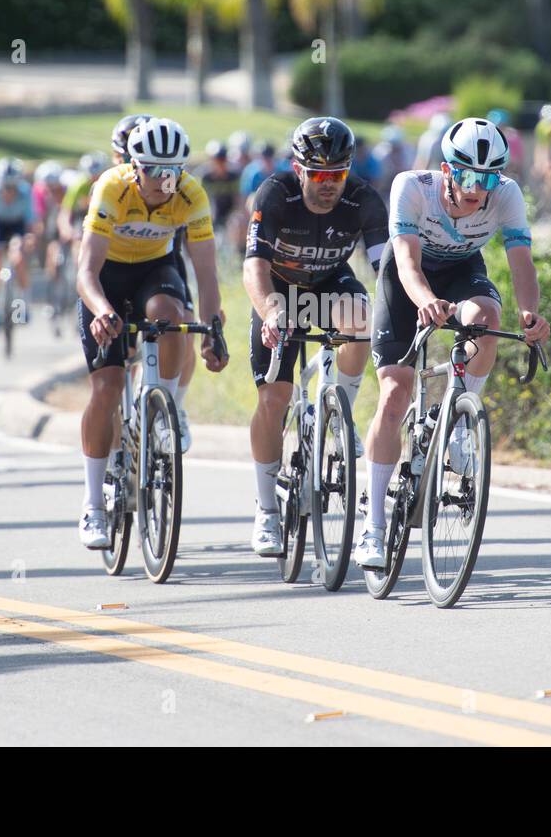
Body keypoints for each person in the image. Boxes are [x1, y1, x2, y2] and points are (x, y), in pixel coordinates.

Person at [353, 117, 551, 568]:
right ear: (447, 170)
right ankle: (374, 527)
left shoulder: (506, 194)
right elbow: (404, 259)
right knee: (395, 392)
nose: (476, 188)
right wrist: (424, 301)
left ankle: (461, 422)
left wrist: (531, 313)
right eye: (466, 175)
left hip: (462, 269)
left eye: (487, 177)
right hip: (407, 281)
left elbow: (521, 261)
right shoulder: (412, 186)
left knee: (486, 317)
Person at [75, 117, 227, 548]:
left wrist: (213, 329)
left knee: (171, 314)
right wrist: (102, 311)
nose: (164, 181)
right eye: (154, 171)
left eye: (173, 171)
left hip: (154, 271)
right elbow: (86, 270)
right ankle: (92, 505)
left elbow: (206, 271)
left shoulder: (190, 194)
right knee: (107, 386)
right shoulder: (111, 187)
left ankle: (166, 406)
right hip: (107, 276)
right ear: (133, 166)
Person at [243, 116, 389, 557]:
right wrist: (270, 311)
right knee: (274, 398)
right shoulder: (275, 193)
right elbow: (254, 266)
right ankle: (267, 511)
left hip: (329, 282)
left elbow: (386, 269)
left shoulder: (363, 199)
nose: (329, 183)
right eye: (320, 174)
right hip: (281, 291)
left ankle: (340, 412)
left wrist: (401, 309)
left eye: (338, 174)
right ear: (299, 168)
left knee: (362, 314)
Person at [0, 157, 36, 338]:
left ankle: (23, 304)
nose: (9, 192)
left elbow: (30, 224)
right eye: (6, 187)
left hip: (17, 226)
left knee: (18, 259)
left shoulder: (26, 194)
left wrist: (29, 239)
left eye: (13, 188)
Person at [372, 125, 413, 198]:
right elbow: (377, 175)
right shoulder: (380, 152)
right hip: (384, 186)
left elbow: (408, 170)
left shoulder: (408, 151)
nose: (394, 147)